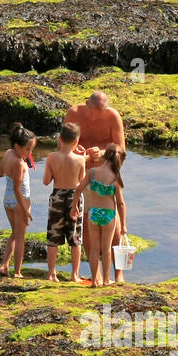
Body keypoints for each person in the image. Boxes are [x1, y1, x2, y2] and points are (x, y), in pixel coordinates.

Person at [63, 91, 128, 280]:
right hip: (85, 175)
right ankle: (97, 275)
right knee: (87, 223)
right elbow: (64, 145)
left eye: (101, 112)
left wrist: (102, 153)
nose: (95, 116)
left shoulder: (113, 117)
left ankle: (119, 273)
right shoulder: (74, 114)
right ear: (86, 104)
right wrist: (79, 152)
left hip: (106, 174)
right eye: (93, 112)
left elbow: (121, 151)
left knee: (114, 226)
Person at [75, 143, 128, 287]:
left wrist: (74, 207)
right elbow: (121, 204)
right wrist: (123, 224)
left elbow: (78, 189)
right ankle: (105, 280)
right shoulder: (115, 177)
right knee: (106, 249)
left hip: (93, 213)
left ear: (105, 156)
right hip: (109, 215)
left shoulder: (92, 172)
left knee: (93, 249)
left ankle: (94, 280)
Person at [42, 122, 87, 282]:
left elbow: (46, 181)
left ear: (59, 139)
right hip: (74, 197)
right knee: (75, 238)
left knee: (53, 237)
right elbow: (82, 182)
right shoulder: (81, 160)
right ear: (76, 141)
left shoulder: (51, 157)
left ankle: (51, 274)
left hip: (57, 196)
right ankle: (74, 275)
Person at [0, 123, 36, 279]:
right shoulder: (19, 163)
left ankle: (4, 265)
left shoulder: (8, 153)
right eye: (27, 149)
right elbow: (18, 189)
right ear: (17, 145)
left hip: (7, 200)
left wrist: (9, 169)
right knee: (20, 238)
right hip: (20, 201)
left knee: (14, 234)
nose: (29, 153)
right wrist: (25, 210)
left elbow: (0, 173)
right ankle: (17, 272)